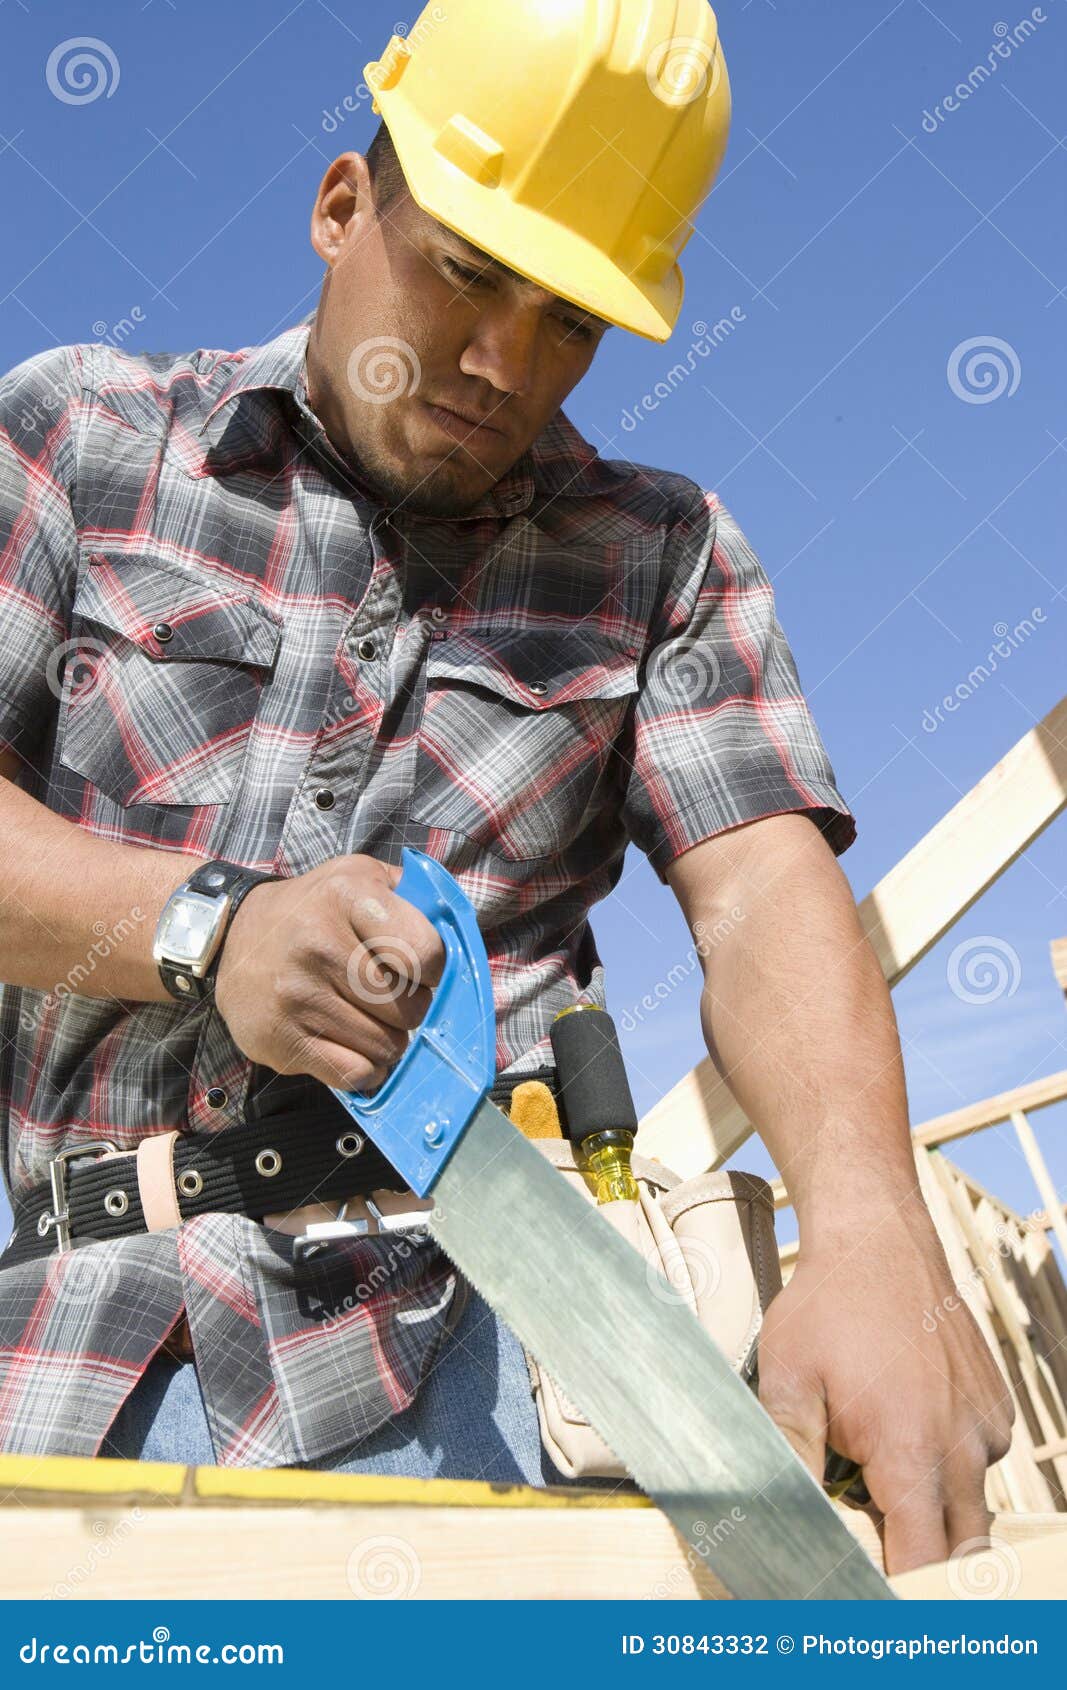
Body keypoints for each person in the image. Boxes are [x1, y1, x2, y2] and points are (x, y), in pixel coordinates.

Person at [0, 0, 1010, 1577]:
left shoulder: (659, 554)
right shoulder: (77, 439)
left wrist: (871, 1233)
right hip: (71, 1372)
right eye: (466, 274)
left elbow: (757, 890)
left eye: (567, 321)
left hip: (508, 1365)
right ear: (343, 206)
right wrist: (209, 927)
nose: (500, 365)